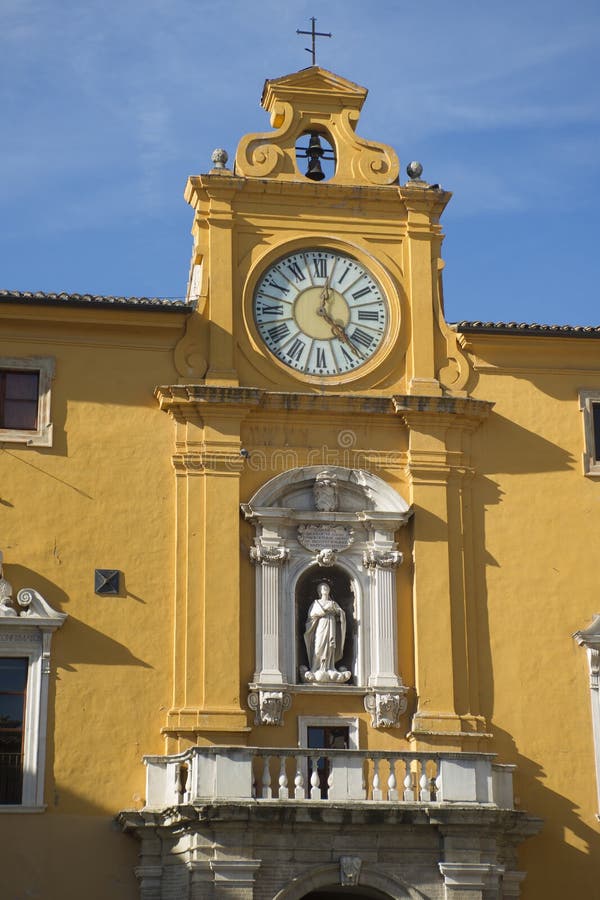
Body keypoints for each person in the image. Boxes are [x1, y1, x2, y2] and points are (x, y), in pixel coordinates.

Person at [302, 582, 350, 683]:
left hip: (331, 625)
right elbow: (312, 615)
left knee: (331, 646)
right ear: (319, 591)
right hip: (321, 624)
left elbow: (341, 614)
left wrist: (338, 612)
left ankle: (330, 667)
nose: (325, 588)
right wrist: (324, 610)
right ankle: (315, 668)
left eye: (327, 587)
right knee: (319, 646)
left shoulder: (333, 603)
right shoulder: (316, 603)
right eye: (323, 587)